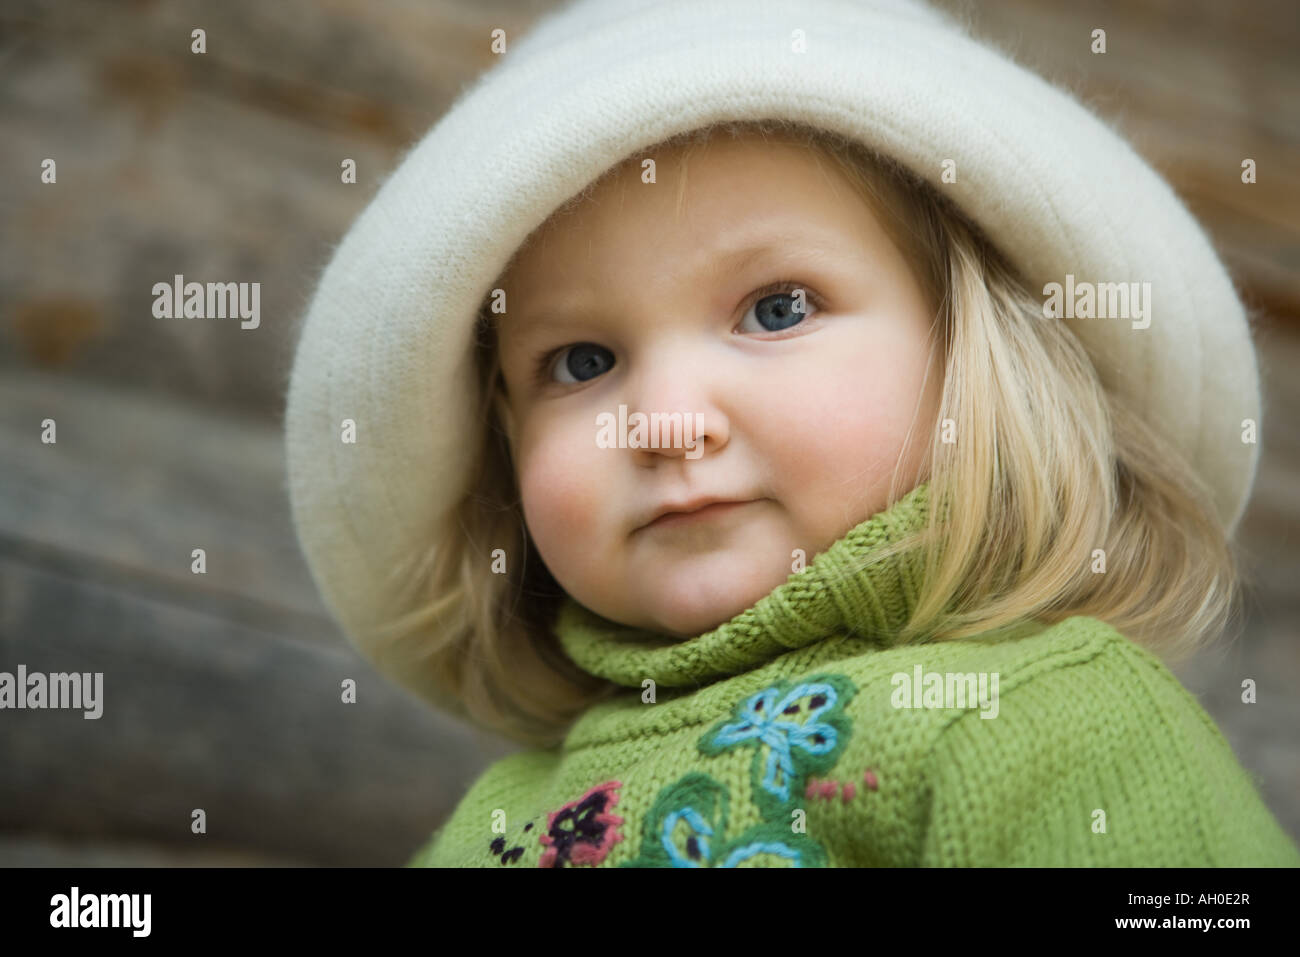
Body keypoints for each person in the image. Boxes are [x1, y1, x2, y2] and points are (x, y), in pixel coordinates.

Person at [284, 0, 1300, 867]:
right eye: (582, 363)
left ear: (980, 359)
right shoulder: (497, 820)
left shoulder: (1055, 726)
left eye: (776, 310)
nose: (668, 424)